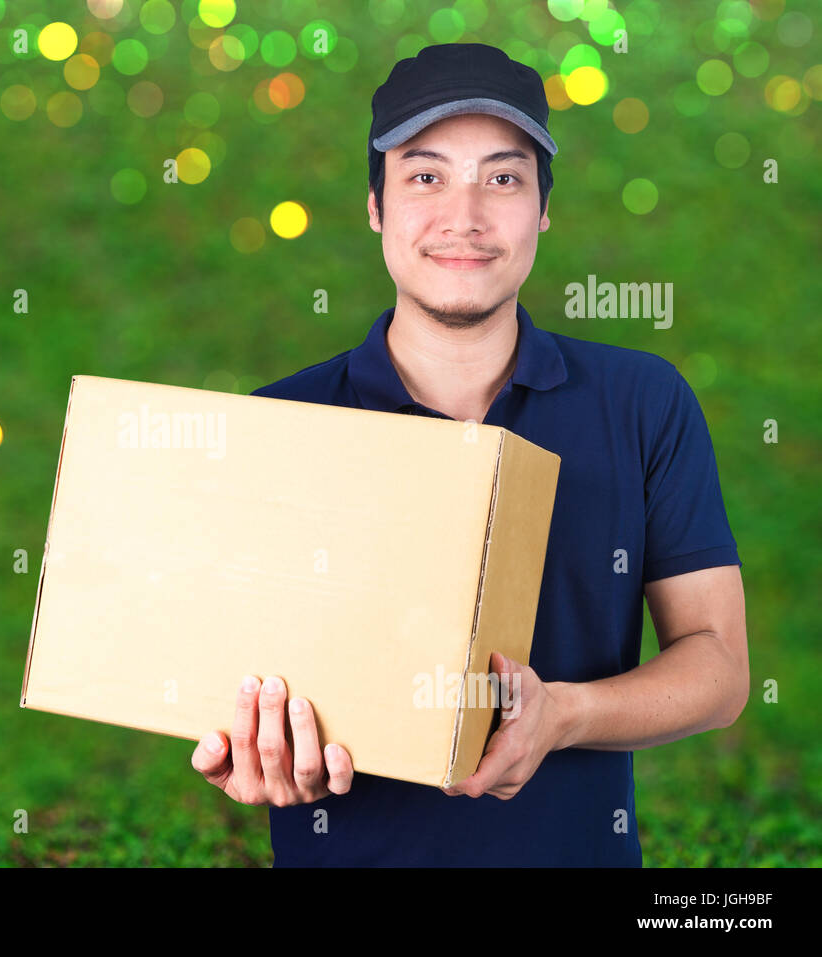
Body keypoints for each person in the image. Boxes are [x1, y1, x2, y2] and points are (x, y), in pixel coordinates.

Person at [190, 43, 748, 866]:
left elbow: (720, 667)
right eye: (425, 176)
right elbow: (220, 679)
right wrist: (254, 746)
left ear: (543, 208)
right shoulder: (281, 424)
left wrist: (565, 714)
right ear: (375, 206)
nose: (465, 216)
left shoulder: (642, 402)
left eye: (503, 176)